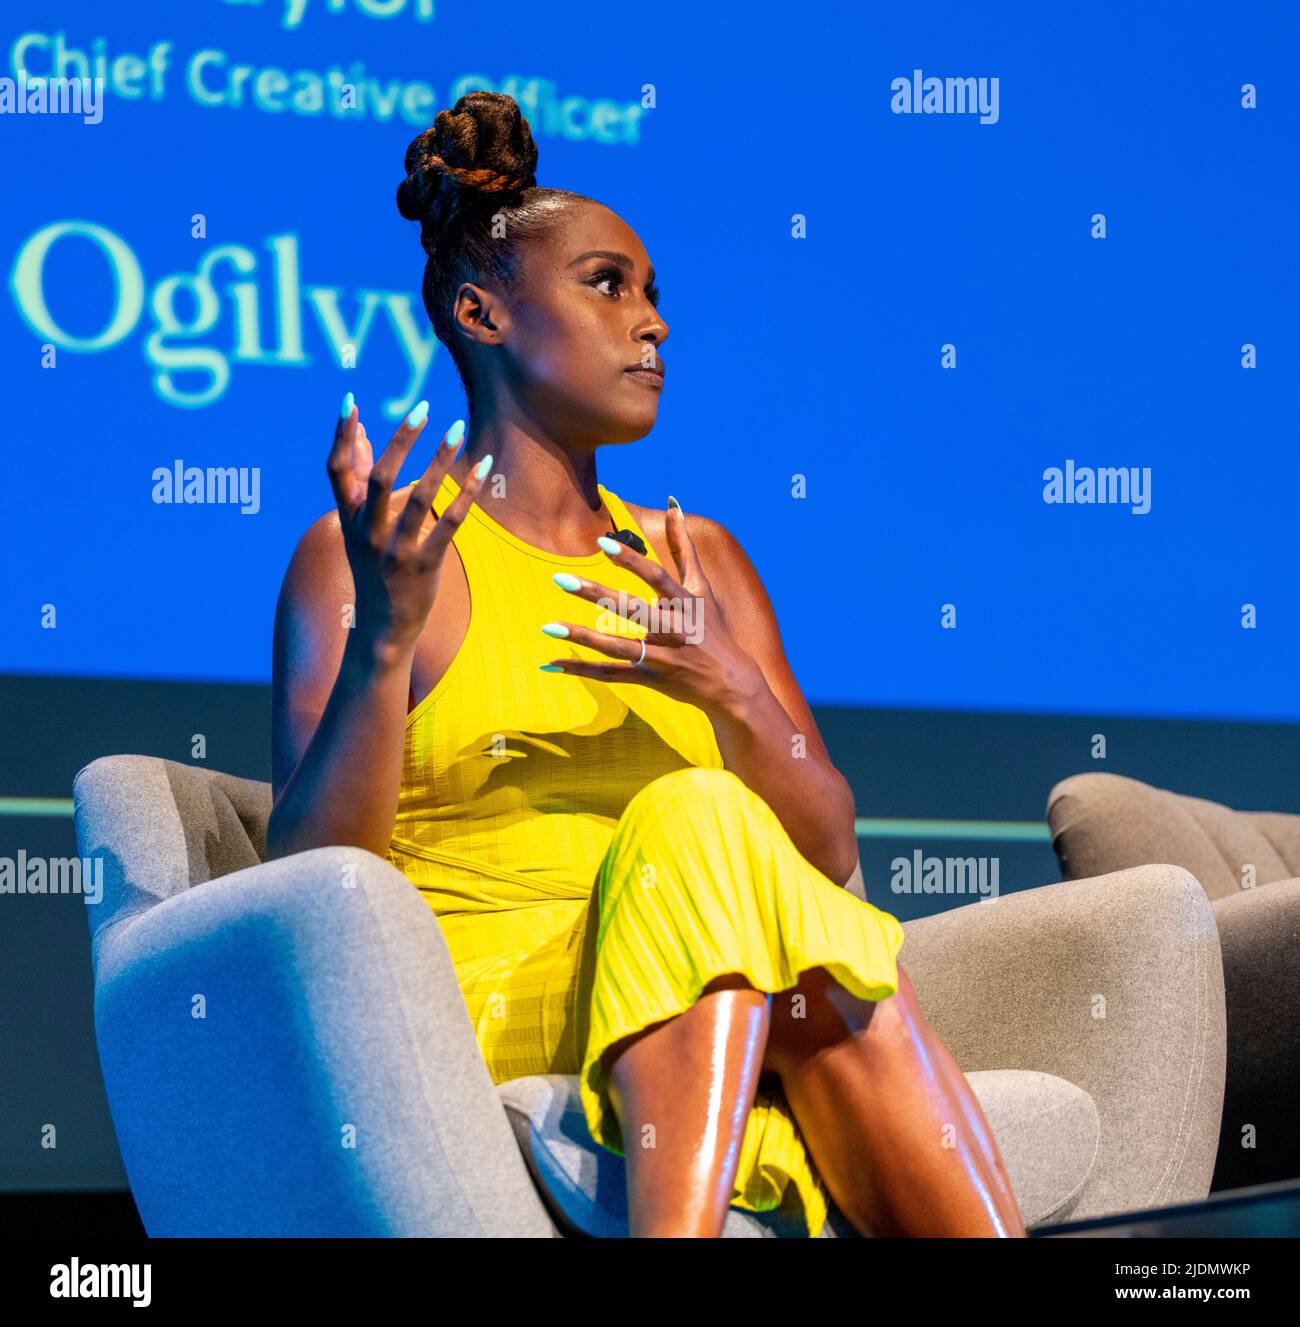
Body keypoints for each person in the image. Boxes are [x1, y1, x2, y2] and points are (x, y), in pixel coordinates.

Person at [267, 90, 1025, 1239]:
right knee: (707, 823)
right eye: (608, 284)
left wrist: (728, 686)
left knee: (762, 891)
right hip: (497, 999)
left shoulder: (698, 559)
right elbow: (312, 889)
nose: (654, 323)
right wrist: (384, 638)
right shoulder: (374, 554)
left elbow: (828, 850)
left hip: (725, 1011)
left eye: (654, 292)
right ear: (481, 312)